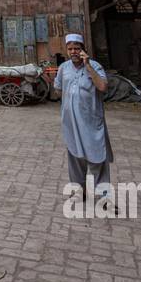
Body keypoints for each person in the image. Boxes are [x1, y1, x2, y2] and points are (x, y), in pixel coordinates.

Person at [52, 33, 112, 195]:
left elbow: (102, 87)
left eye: (77, 48)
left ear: (83, 50)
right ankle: (79, 191)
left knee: (97, 157)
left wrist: (88, 66)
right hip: (71, 122)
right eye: (70, 49)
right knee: (75, 158)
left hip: (90, 122)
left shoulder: (95, 66)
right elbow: (58, 90)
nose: (73, 52)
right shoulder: (64, 68)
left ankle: (104, 196)